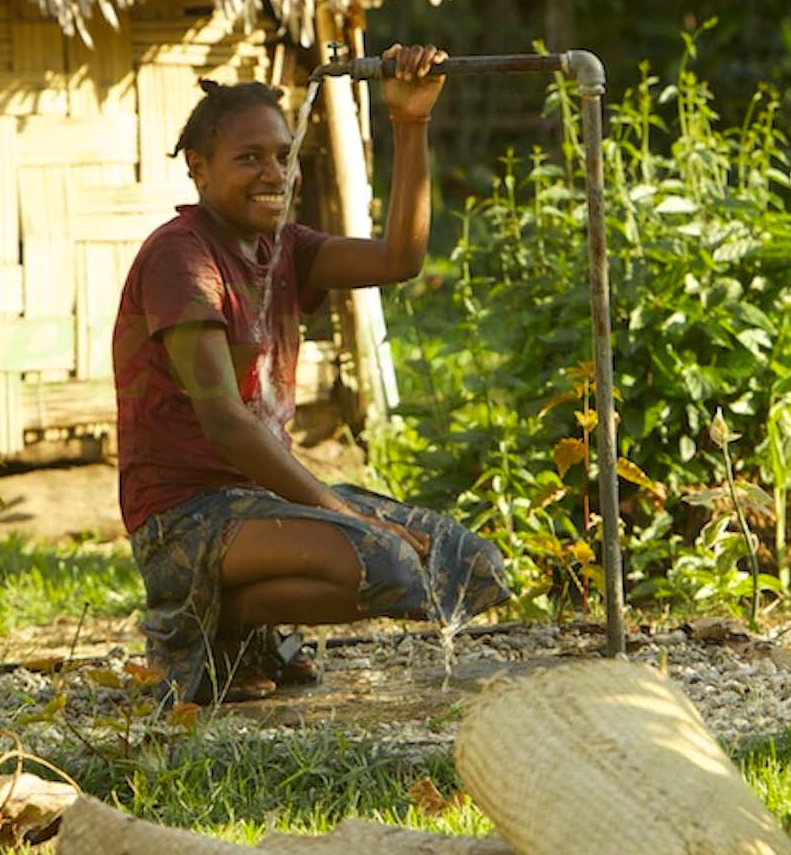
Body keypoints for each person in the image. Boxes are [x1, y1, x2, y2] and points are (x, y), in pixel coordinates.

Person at [111, 43, 508, 704]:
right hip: (182, 520)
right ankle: (198, 626)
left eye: (282, 155)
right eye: (249, 158)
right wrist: (350, 513)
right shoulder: (180, 259)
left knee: (473, 567)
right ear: (199, 168)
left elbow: (400, 258)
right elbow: (227, 424)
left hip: (264, 508)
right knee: (390, 562)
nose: (274, 172)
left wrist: (410, 123)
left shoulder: (285, 248)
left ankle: (233, 629)